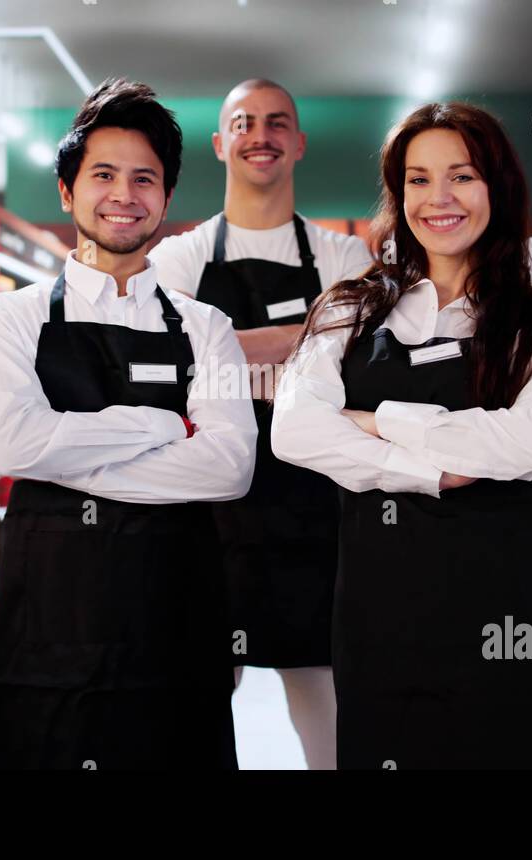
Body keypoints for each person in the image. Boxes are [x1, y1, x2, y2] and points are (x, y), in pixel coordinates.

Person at [271, 101, 532, 769]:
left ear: (497, 186)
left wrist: (381, 419)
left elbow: (531, 444)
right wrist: (432, 471)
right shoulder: (350, 307)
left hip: (507, 601)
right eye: (417, 179)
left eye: (462, 176)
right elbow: (294, 430)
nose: (438, 198)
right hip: (383, 603)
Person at [0, 79, 257, 770]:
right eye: (103, 175)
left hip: (175, 615)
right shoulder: (9, 316)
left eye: (144, 178)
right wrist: (161, 425)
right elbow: (16, 444)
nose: (124, 195)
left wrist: (69, 450)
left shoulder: (206, 326)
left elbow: (229, 467)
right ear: (68, 191)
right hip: (48, 624)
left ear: (166, 197)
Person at [148, 78, 373, 769]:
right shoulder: (176, 258)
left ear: (299, 143)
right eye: (243, 123)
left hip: (318, 514)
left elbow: (350, 373)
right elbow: (169, 366)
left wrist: (222, 351)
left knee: (329, 711)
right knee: (196, 710)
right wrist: (304, 335)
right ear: (221, 144)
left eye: (278, 123)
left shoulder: (346, 258)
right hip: (208, 517)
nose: (261, 135)